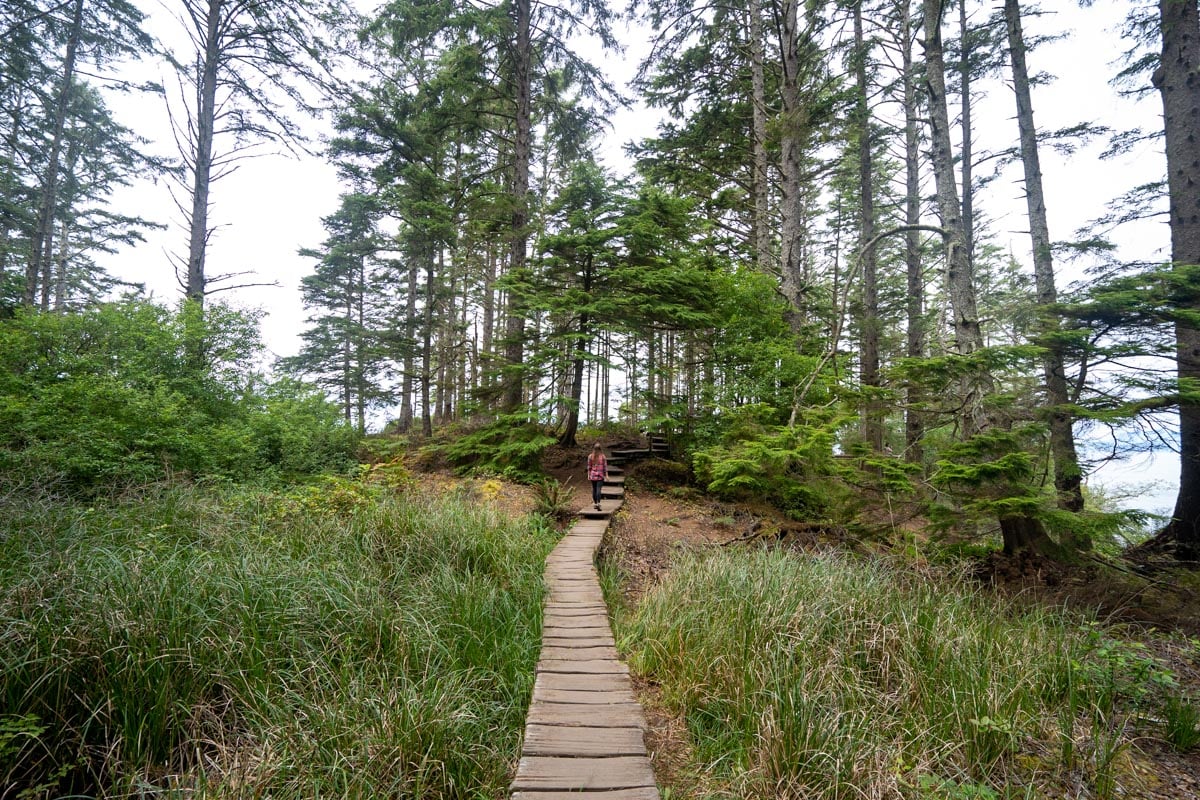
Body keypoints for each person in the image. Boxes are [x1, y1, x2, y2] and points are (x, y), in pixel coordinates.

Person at [587, 443, 607, 511]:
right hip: (600, 475)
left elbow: (589, 467)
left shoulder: (590, 456)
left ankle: (595, 503)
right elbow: (605, 467)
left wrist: (588, 475)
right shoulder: (603, 456)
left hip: (592, 475)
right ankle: (598, 503)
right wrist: (606, 475)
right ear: (600, 449)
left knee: (594, 489)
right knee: (598, 489)